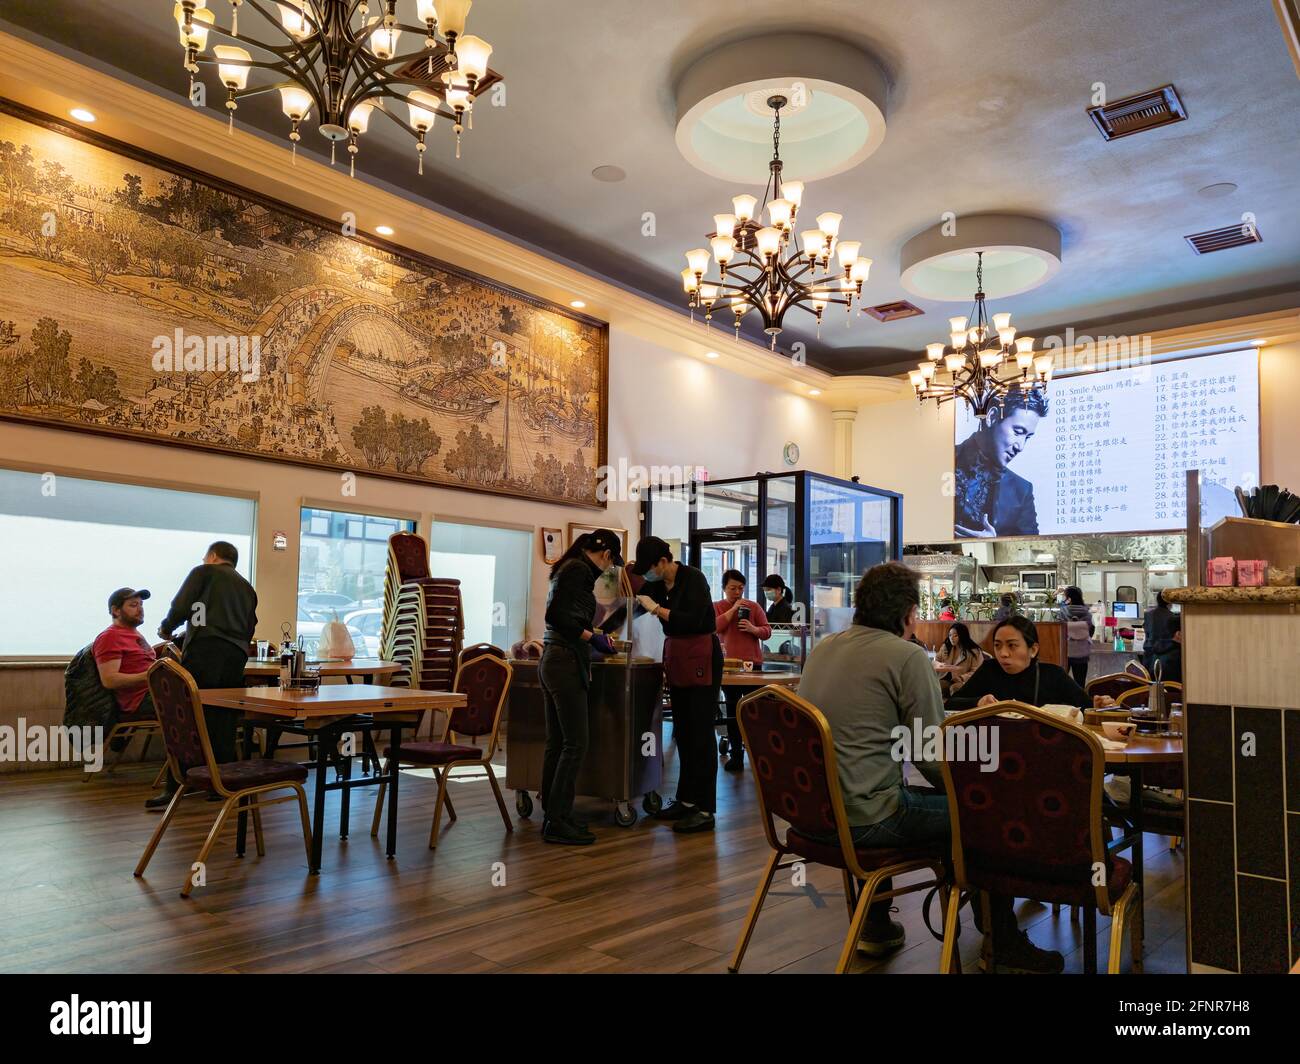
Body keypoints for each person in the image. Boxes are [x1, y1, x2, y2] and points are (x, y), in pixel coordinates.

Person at [798, 562, 1064, 973]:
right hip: (867, 819)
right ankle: (1004, 943)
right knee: (986, 812)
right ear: (908, 614)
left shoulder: (824, 648)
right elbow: (930, 752)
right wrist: (978, 793)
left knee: (871, 783)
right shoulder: (906, 656)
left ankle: (875, 924)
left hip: (810, 814)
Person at [156, 542, 258, 805]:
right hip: (235, 656)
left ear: (213, 556)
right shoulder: (247, 587)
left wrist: (167, 628)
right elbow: (250, 625)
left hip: (205, 651)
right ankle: (219, 784)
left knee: (187, 714)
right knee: (223, 718)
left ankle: (177, 785)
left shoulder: (204, 572)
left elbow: (181, 605)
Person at [631, 536, 721, 834]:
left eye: (651, 568)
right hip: (678, 658)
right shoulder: (657, 585)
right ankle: (686, 799)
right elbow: (635, 607)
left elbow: (694, 620)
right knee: (682, 731)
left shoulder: (693, 578)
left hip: (701, 657)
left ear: (664, 561)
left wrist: (657, 610)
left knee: (701, 733)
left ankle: (705, 809)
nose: (648, 575)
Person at [539, 529, 621, 845]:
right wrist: (591, 637)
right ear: (606, 555)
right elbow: (556, 615)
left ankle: (554, 813)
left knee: (558, 742)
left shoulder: (568, 567)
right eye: (612, 562)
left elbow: (563, 614)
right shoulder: (578, 569)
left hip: (553, 658)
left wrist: (595, 632)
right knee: (576, 743)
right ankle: (557, 820)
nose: (609, 569)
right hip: (565, 662)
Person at [93, 587, 163, 808]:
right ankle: (190, 773)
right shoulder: (110, 637)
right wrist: (151, 675)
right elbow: (110, 680)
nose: (140, 609)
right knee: (201, 706)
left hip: (154, 693)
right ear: (115, 610)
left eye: (141, 605)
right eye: (133, 605)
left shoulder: (135, 635)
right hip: (139, 700)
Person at [951, 616, 1115, 711]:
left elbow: (1086, 707)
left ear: (1033, 649)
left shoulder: (1053, 675)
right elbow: (952, 703)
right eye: (997, 645)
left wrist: (1097, 704)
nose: (1003, 653)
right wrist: (978, 702)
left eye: (1012, 645)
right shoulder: (989, 670)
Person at [954, 385, 1048, 537]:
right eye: (1018, 432)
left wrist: (994, 543)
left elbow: (1034, 550)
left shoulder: (1021, 490)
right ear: (991, 417)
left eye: (1027, 437)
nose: (1021, 446)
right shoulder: (940, 461)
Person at [713, 569, 771, 774]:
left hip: (753, 666)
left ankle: (761, 757)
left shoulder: (753, 607)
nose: (737, 592)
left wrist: (755, 630)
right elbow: (715, 627)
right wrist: (732, 610)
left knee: (756, 712)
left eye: (740, 588)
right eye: (732, 588)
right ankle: (736, 755)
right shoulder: (718, 607)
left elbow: (767, 630)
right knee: (733, 711)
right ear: (724, 588)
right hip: (729, 667)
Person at [933, 621, 984, 696]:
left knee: (954, 688)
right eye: (950, 635)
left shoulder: (974, 651)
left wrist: (961, 678)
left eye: (955, 635)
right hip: (945, 678)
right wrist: (940, 665)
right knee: (935, 687)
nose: (951, 638)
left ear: (962, 636)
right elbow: (935, 660)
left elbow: (977, 671)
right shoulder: (946, 647)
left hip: (964, 681)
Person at [1059, 585, 1095, 687]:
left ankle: (1064, 702)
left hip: (1066, 651)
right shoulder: (1087, 613)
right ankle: (1080, 702)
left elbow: (1059, 630)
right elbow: (1091, 631)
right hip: (1082, 652)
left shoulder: (1063, 612)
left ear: (1068, 598)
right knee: (1080, 682)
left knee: (1062, 682)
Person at [1142, 592, 1178, 677]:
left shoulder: (1148, 615)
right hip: (1163, 657)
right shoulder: (1172, 617)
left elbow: (1146, 630)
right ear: (1169, 602)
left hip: (1148, 656)